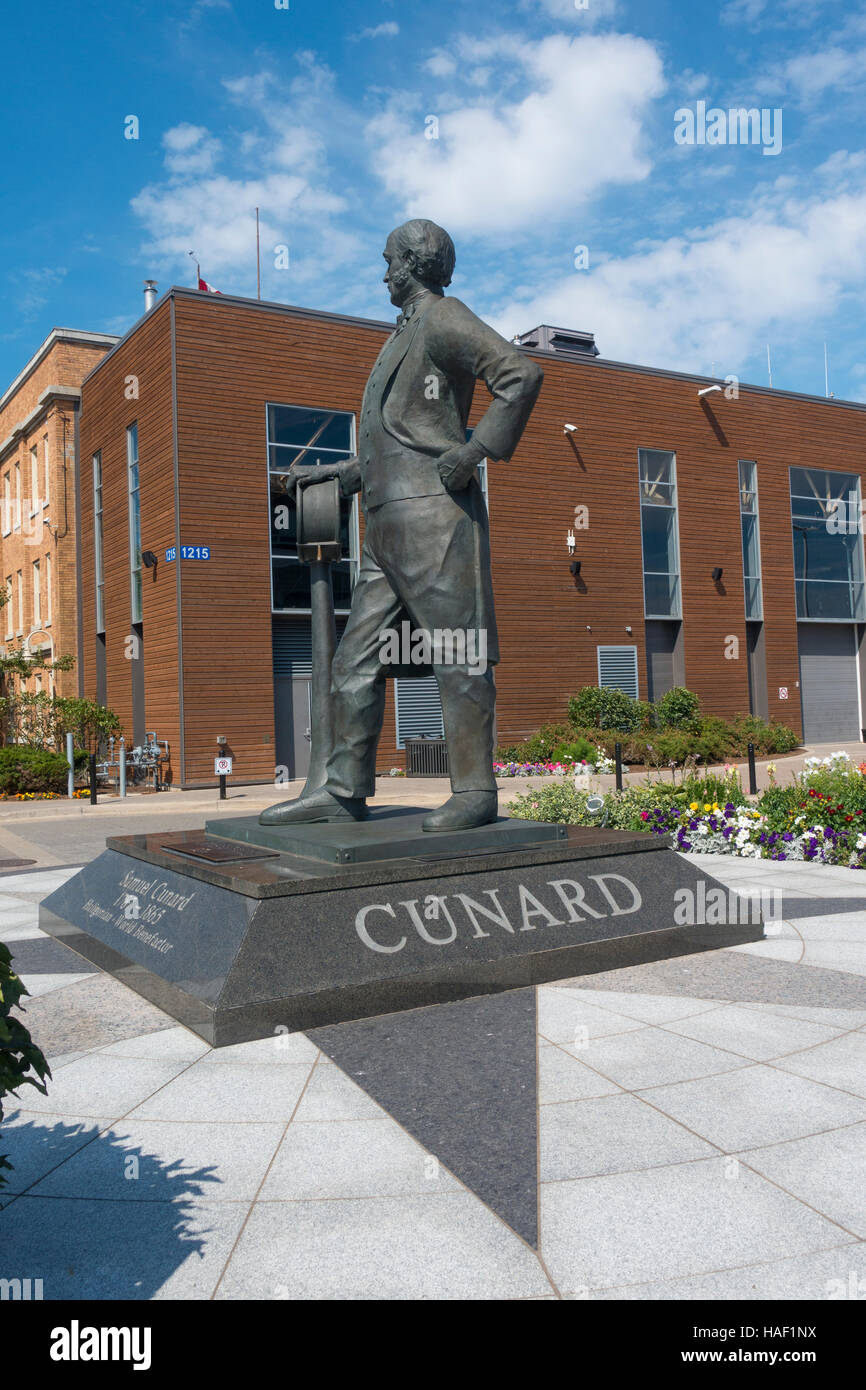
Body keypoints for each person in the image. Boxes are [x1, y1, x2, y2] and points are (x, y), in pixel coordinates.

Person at [260, 219, 542, 831]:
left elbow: (520, 374)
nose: (383, 270)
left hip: (437, 520)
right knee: (355, 660)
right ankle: (341, 789)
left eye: (389, 259)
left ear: (414, 262)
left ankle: (474, 792)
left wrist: (473, 453)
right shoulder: (402, 334)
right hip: (383, 529)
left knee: (457, 655)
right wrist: (336, 474)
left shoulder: (443, 316)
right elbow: (398, 442)